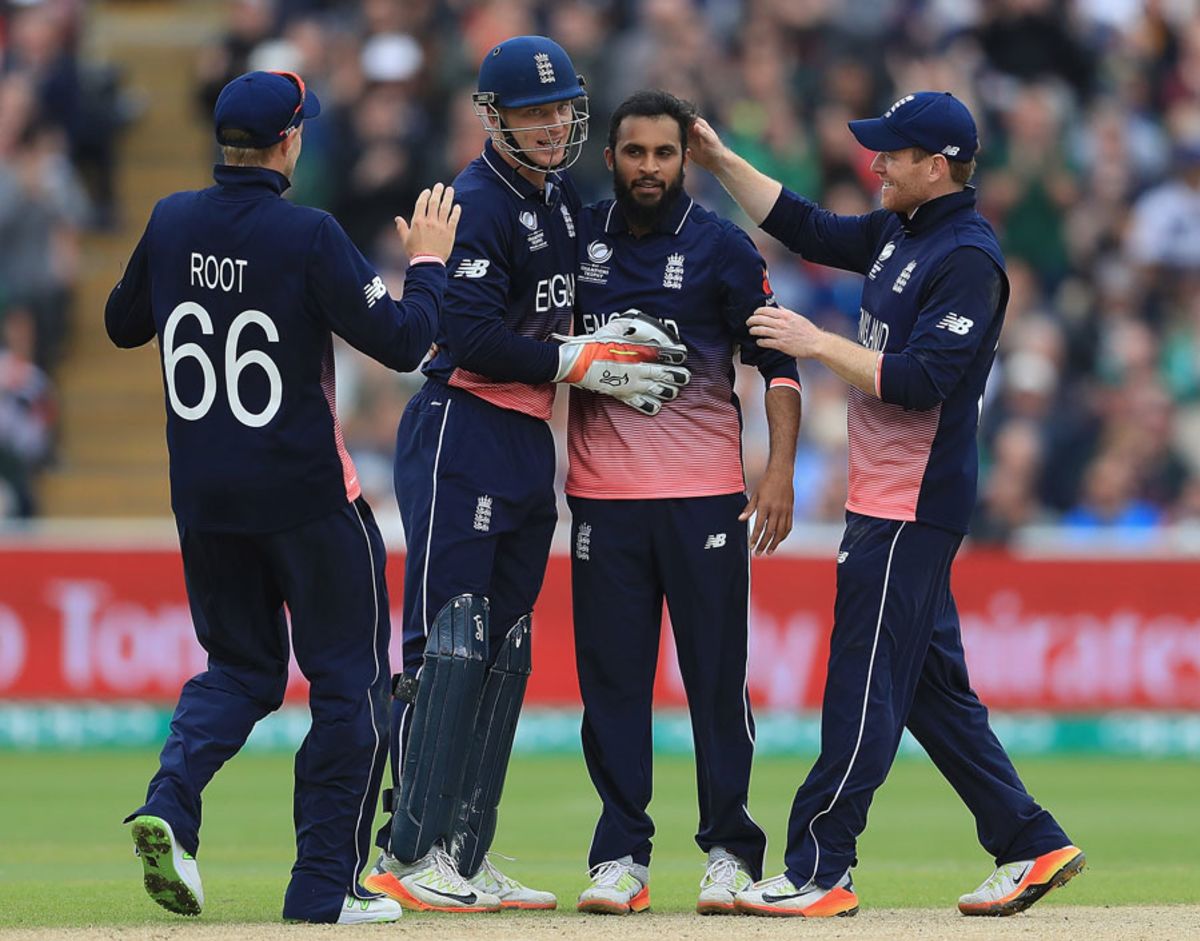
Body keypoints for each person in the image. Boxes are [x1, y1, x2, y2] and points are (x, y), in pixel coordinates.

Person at [687, 91, 1085, 917]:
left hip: (911, 504)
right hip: (884, 499)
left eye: (891, 155)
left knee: (863, 683)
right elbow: (802, 224)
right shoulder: (900, 232)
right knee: (930, 691)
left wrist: (815, 342)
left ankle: (820, 864)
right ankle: (1030, 840)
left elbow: (920, 380)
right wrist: (720, 160)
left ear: (935, 165)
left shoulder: (967, 256)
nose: (875, 165)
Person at [105, 69, 460, 925]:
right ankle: (320, 890)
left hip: (205, 499)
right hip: (308, 499)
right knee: (349, 688)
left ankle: (171, 800)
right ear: (291, 141)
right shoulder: (308, 234)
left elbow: (122, 324)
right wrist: (429, 264)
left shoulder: (171, 219)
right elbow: (408, 340)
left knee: (240, 668)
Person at [363, 37, 688, 914]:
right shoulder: (477, 201)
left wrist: (605, 341)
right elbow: (466, 336)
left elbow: (566, 317)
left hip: (522, 441)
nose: (551, 125)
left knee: (504, 648)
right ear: (493, 118)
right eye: (533, 112)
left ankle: (463, 853)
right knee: (449, 642)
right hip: (459, 428)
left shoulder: (566, 201)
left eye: (561, 109)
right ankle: (406, 852)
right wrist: (580, 362)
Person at [566, 90, 801, 916]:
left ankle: (731, 851)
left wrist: (779, 472)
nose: (650, 168)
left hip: (705, 501)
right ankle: (621, 856)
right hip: (601, 502)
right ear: (612, 159)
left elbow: (779, 364)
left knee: (714, 679)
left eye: (665, 154)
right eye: (635, 153)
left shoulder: (722, 249)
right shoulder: (577, 239)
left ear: (684, 159)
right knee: (613, 686)